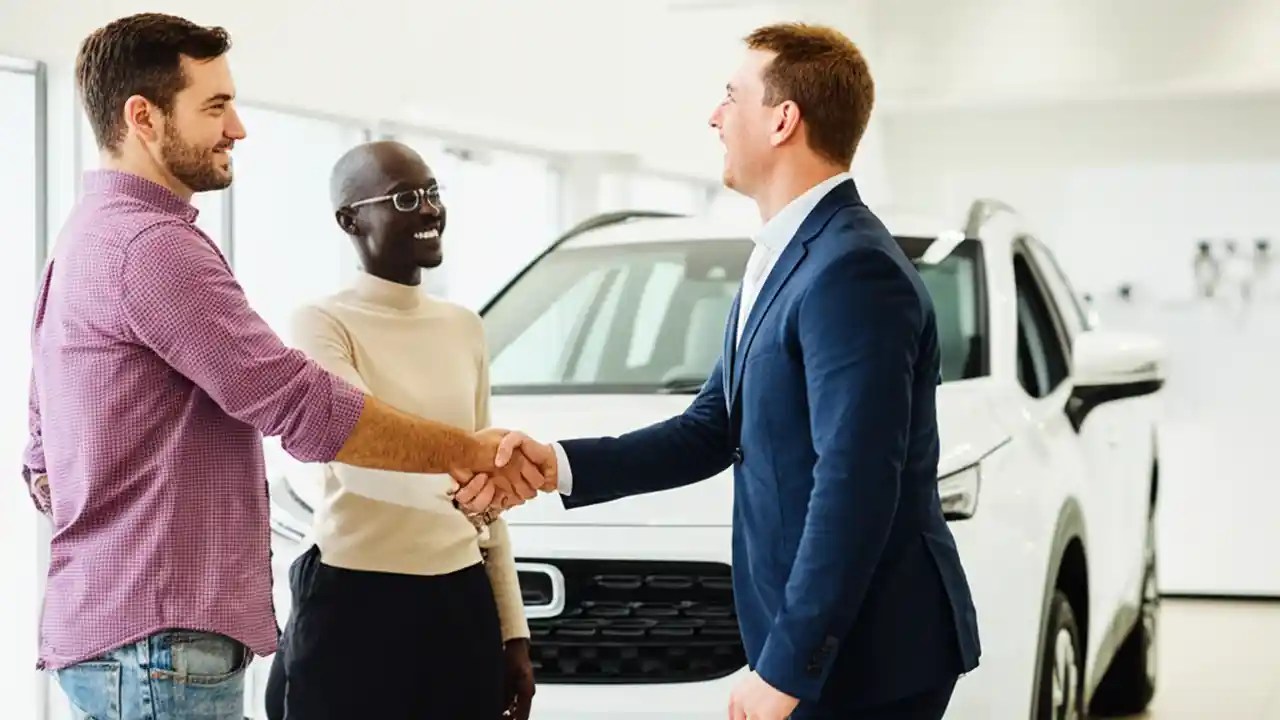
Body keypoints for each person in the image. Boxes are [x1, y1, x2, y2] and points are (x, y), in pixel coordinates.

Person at [26, 13, 538, 720]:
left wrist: (112, 517)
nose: (238, 128)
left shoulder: (84, 237)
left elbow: (40, 454)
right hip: (160, 640)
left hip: (121, 630)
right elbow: (299, 405)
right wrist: (470, 453)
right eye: (215, 106)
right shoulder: (151, 247)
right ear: (141, 117)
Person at [474, 22, 981, 720]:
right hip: (815, 645)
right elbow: (711, 428)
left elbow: (857, 481)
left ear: (782, 119)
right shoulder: (782, 256)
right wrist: (556, 464)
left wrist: (787, 668)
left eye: (730, 96)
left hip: (865, 656)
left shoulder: (853, 270)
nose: (714, 115)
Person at [262, 141, 535, 719]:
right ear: (349, 220)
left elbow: (488, 490)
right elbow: (356, 456)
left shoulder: (464, 327)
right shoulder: (321, 322)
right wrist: (479, 492)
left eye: (434, 194)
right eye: (406, 198)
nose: (431, 210)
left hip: (461, 600)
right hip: (356, 600)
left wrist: (514, 632)